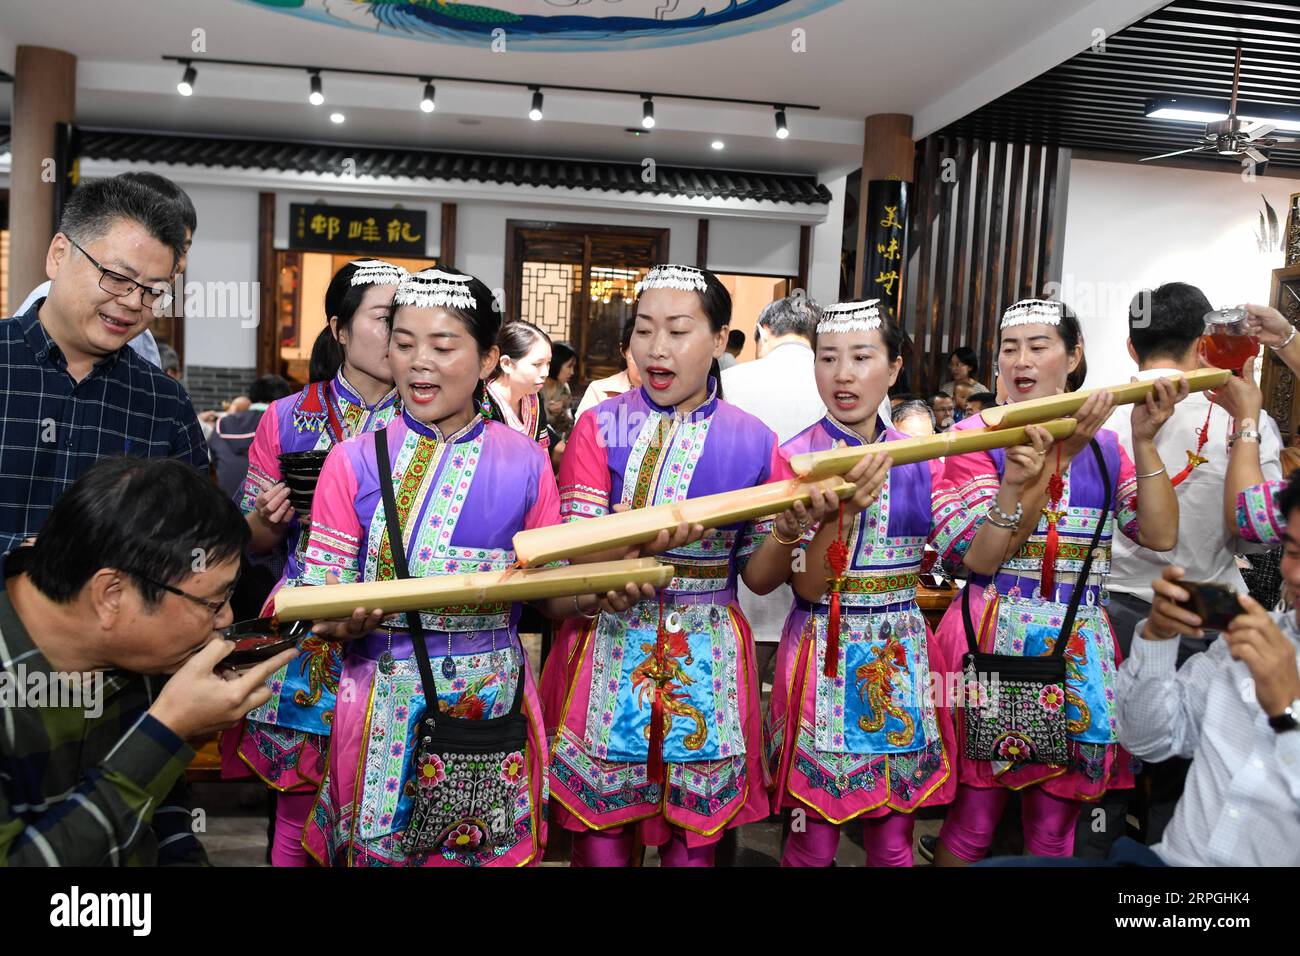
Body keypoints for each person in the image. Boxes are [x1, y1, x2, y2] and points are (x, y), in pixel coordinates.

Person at [298, 267, 642, 867]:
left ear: (487, 360)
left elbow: (549, 597)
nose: (418, 363)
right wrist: (341, 622)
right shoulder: (351, 462)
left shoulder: (529, 464)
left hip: (491, 709)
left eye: (442, 345)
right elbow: (319, 602)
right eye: (403, 344)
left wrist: (594, 593)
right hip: (381, 700)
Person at [544, 263, 808, 866]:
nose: (656, 348)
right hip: (608, 640)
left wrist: (787, 533)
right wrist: (645, 544)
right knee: (602, 844)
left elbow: (760, 578)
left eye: (679, 331)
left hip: (707, 651)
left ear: (719, 341)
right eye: (643, 330)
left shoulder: (754, 439)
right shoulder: (599, 425)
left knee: (696, 851)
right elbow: (578, 559)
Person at [927, 297, 1185, 865]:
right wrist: (1055, 461)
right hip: (991, 641)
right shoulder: (972, 439)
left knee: (1055, 828)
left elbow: (1160, 534)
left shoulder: (1108, 447)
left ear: (1073, 357)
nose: (1020, 360)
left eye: (1038, 346)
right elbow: (980, 560)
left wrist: (1143, 441)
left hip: (1076, 648)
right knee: (974, 818)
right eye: (1009, 348)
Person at [0, 457, 298, 866]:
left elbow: (163, 815)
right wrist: (167, 732)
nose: (226, 619)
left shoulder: (142, 655)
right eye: (214, 603)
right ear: (112, 595)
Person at [766, 299, 965, 866]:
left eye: (861, 357)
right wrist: (843, 514)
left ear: (895, 368)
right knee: (811, 836)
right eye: (828, 358)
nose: (843, 374)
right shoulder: (796, 459)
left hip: (899, 651)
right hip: (820, 654)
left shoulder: (921, 459)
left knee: (895, 837)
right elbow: (803, 587)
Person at [222, 259, 406, 866]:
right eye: (385, 318)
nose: (401, 331)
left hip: (404, 627)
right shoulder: (287, 416)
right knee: (299, 806)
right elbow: (254, 540)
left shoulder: (435, 416)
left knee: (392, 806)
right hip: (309, 627)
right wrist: (269, 521)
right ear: (340, 329)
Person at [1094, 285, 1282, 853]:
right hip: (1214, 606)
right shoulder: (1244, 415)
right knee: (1194, 773)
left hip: (1118, 606)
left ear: (1130, 345)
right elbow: (1254, 536)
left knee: (1108, 772)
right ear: (1205, 342)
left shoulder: (1101, 415)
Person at [0, 174, 205, 556]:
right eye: (116, 277)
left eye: (153, 291)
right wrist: (34, 559)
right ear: (59, 254)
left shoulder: (166, 404)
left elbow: (192, 540)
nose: (132, 302)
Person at [1114, 541, 1300, 865]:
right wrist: (1158, 639)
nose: (1295, 575)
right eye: (1296, 553)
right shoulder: (1250, 638)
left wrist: (1287, 714)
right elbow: (1148, 741)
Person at [721, 295, 827, 685]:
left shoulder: (732, 381)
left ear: (763, 332)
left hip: (749, 548)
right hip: (823, 547)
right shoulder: (837, 383)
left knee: (743, 687)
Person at [206, 374, 294, 499]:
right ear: (286, 399)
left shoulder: (222, 424)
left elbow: (215, 463)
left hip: (226, 507)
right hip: (266, 512)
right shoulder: (284, 424)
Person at [484, 319, 551, 448]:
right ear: (506, 364)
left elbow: (543, 454)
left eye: (548, 363)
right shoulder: (483, 405)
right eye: (537, 364)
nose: (546, 372)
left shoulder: (535, 399)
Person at [575, 314, 642, 418]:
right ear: (623, 351)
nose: (645, 362)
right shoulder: (599, 391)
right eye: (638, 352)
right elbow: (582, 433)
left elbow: (665, 432)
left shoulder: (670, 396)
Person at [542, 341, 577, 439]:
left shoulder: (564, 388)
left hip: (558, 440)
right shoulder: (537, 386)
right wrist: (546, 409)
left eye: (573, 367)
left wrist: (562, 412)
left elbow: (568, 424)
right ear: (556, 363)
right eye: (569, 366)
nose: (572, 372)